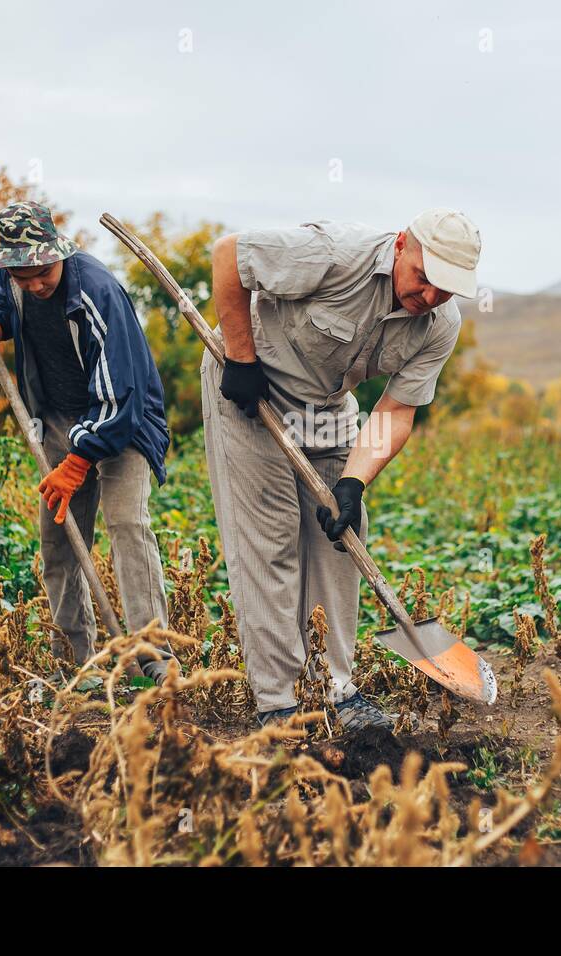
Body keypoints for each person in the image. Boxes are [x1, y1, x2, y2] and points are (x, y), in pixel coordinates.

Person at [204, 208, 482, 729]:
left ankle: (335, 689)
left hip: (328, 406)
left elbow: (396, 411)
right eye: (423, 279)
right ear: (402, 246)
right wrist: (240, 359)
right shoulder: (334, 254)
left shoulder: (440, 327)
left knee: (342, 536)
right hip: (250, 389)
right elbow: (228, 255)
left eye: (445, 291)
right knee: (273, 542)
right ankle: (280, 704)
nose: (428, 298)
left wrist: (353, 482)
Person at [0, 200, 171, 676]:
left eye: (42, 270)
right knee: (58, 538)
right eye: (21, 273)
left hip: (124, 420)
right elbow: (5, 303)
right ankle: (77, 661)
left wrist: (80, 461)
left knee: (126, 525)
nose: (34, 282)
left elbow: (122, 391)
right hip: (58, 419)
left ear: (58, 253)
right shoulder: (14, 284)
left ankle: (154, 655)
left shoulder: (98, 291)